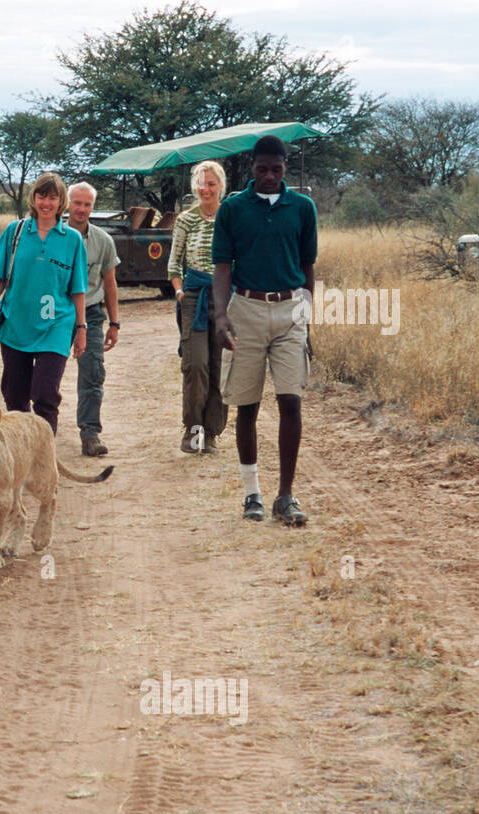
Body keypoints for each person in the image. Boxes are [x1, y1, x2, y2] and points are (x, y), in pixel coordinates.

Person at [211, 135, 318, 525]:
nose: (269, 177)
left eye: (276, 169)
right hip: (246, 308)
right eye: (262, 169)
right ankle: (251, 493)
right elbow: (222, 267)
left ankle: (285, 496)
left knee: (291, 400)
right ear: (251, 167)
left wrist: (308, 320)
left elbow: (308, 269)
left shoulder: (303, 208)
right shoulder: (232, 209)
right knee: (247, 404)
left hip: (290, 309)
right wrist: (221, 316)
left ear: (285, 167)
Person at [0, 172, 88, 435]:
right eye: (42, 196)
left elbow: (77, 290)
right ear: (34, 198)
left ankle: (44, 456)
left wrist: (82, 328)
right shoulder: (15, 232)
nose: (46, 203)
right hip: (17, 324)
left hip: (56, 326)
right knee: (15, 397)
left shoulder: (72, 239)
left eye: (53, 197)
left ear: (61, 201)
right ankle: (23, 453)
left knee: (44, 394)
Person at [168, 160, 228, 455]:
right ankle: (192, 430)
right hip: (193, 296)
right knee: (195, 364)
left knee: (220, 366)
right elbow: (173, 264)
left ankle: (212, 433)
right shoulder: (185, 220)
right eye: (201, 184)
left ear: (221, 187)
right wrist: (180, 293)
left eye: (211, 184)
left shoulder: (231, 218)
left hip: (225, 297)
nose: (206, 189)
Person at [64, 181, 120, 456]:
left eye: (87, 205)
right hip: (56, 313)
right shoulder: (53, 235)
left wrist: (115, 322)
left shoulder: (103, 241)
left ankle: (90, 434)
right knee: (43, 376)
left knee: (93, 373)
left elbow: (110, 283)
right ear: (68, 204)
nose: (82, 209)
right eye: (77, 203)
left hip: (92, 312)